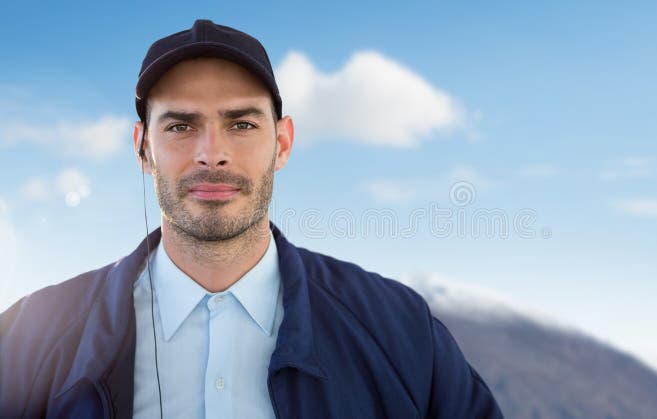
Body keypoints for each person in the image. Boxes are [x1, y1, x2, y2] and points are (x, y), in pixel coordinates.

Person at [0, 19, 503, 419]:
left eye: (241, 124)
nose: (211, 154)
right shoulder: (26, 339)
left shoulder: (401, 331)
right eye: (180, 125)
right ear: (143, 148)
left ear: (281, 143)